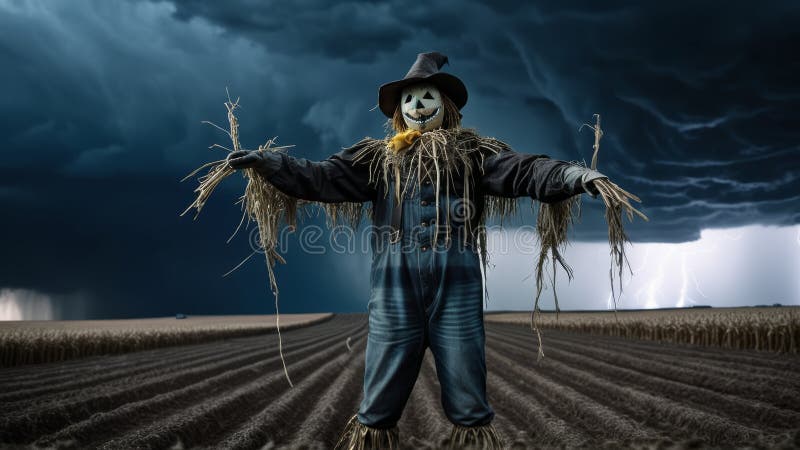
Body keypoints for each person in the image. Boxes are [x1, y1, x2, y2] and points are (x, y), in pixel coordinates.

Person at [226, 52, 613, 449]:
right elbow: (321, 177)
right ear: (399, 111)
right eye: (408, 99)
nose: (417, 105)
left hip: (457, 293)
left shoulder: (474, 155)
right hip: (394, 295)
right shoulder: (377, 160)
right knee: (377, 405)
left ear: (444, 105)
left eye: (426, 96)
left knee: (470, 404)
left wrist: (573, 175)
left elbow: (524, 170)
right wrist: (270, 163)